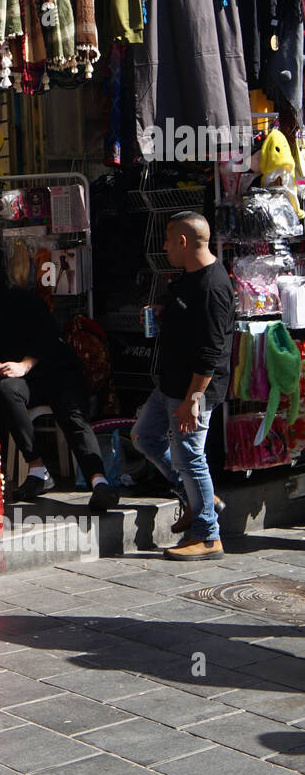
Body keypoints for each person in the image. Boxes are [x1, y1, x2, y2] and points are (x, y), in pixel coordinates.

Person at [0, 292, 119, 511]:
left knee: (72, 415)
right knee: (6, 391)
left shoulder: (18, 302)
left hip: (59, 372)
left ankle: (99, 482)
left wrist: (25, 364)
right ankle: (38, 470)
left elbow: (48, 335)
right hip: (27, 386)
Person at [131, 211, 234, 560]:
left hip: (193, 389)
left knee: (190, 455)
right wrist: (164, 312)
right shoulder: (188, 277)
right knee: (145, 437)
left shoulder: (213, 285)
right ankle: (199, 499)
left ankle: (207, 535)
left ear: (183, 242)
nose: (164, 247)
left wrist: (193, 398)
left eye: (167, 240)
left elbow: (212, 350)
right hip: (170, 383)